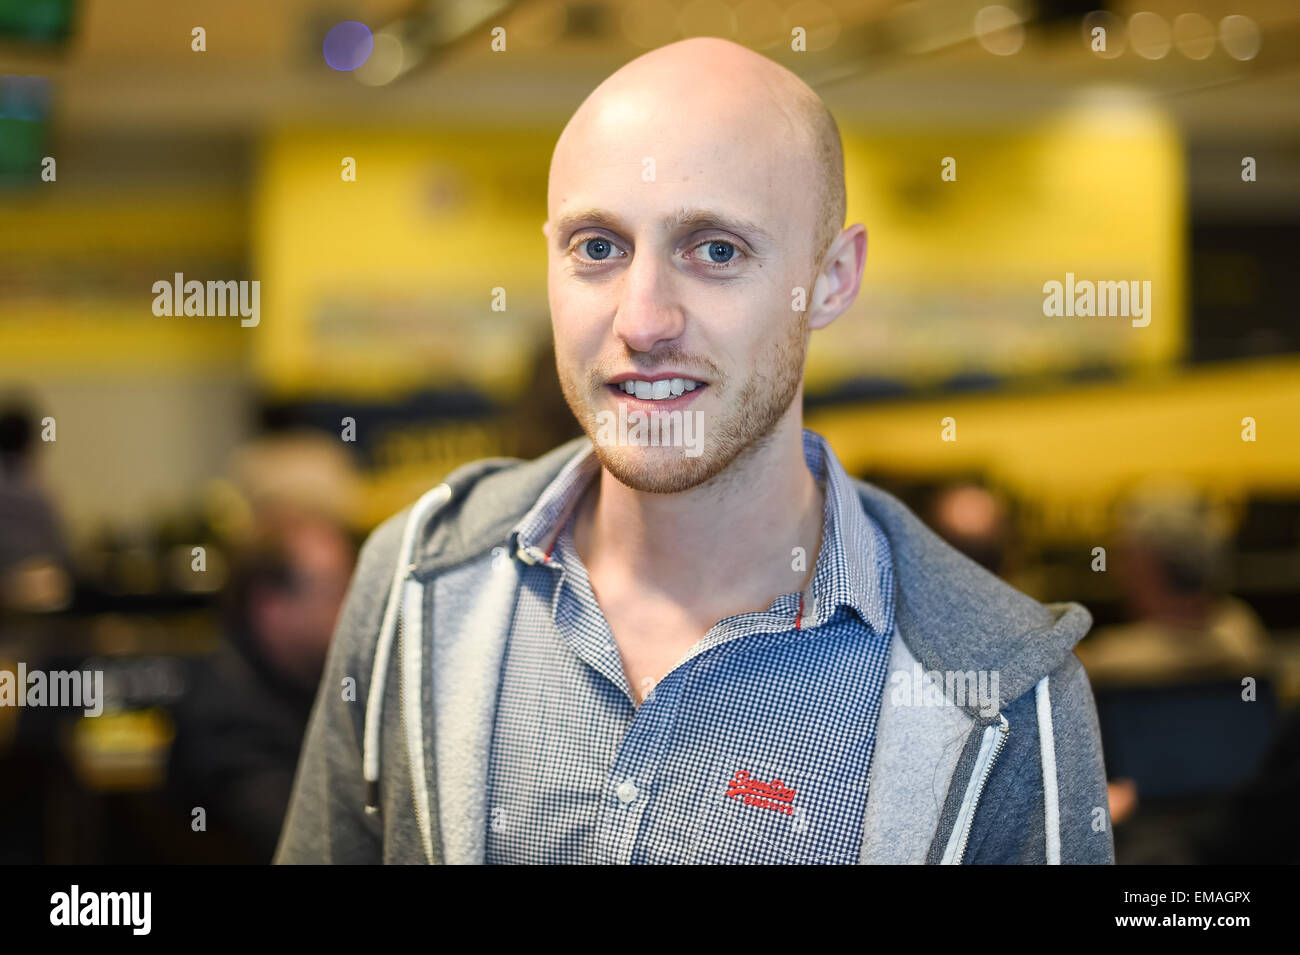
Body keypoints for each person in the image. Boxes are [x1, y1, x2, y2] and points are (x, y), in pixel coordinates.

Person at [276, 37, 1112, 864]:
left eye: (716, 250)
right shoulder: (417, 582)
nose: (642, 320)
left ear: (831, 280)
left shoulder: (1005, 689)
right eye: (597, 247)